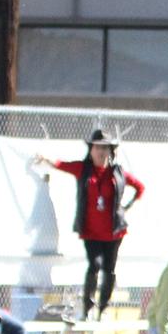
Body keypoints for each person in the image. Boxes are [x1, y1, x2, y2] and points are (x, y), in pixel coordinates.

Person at [32, 130, 144, 321]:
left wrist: (126, 208)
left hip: (113, 232)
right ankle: (88, 305)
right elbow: (62, 165)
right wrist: (46, 159)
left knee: (109, 269)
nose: (101, 152)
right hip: (91, 231)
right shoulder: (83, 170)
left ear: (110, 151)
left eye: (105, 148)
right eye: (97, 147)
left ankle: (103, 306)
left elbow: (140, 187)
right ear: (91, 150)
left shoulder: (117, 173)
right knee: (94, 265)